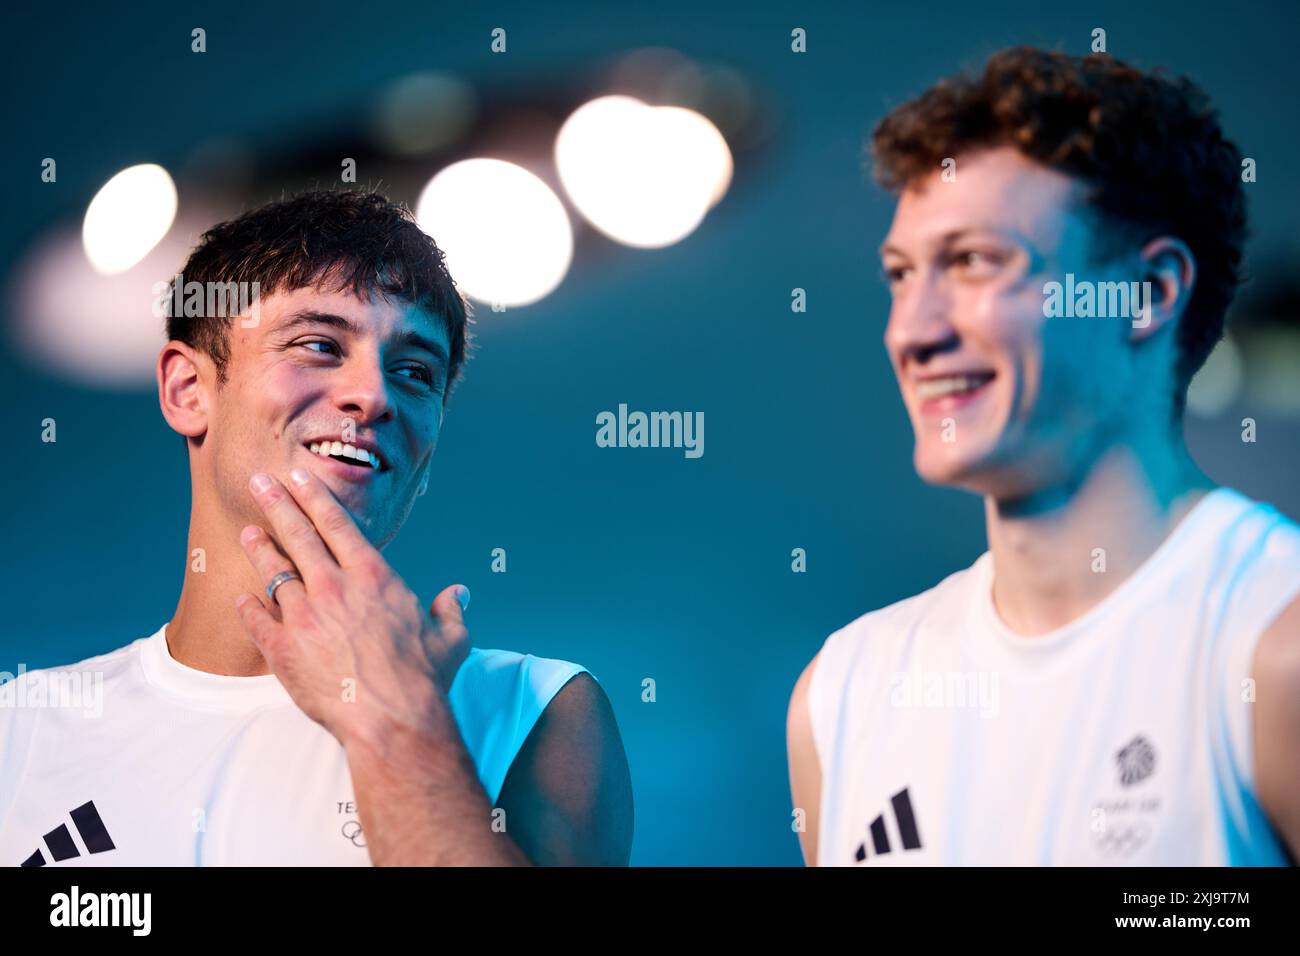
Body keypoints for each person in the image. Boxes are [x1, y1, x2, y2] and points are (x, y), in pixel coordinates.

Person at [0, 189, 633, 866]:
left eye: (414, 372)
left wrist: (398, 725)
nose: (375, 395)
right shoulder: (22, 728)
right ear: (189, 390)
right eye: (318, 345)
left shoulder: (534, 710)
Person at [787, 48, 1299, 865]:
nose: (912, 332)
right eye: (900, 275)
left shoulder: (1272, 642)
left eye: (974, 262)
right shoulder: (842, 692)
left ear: (1149, 292)